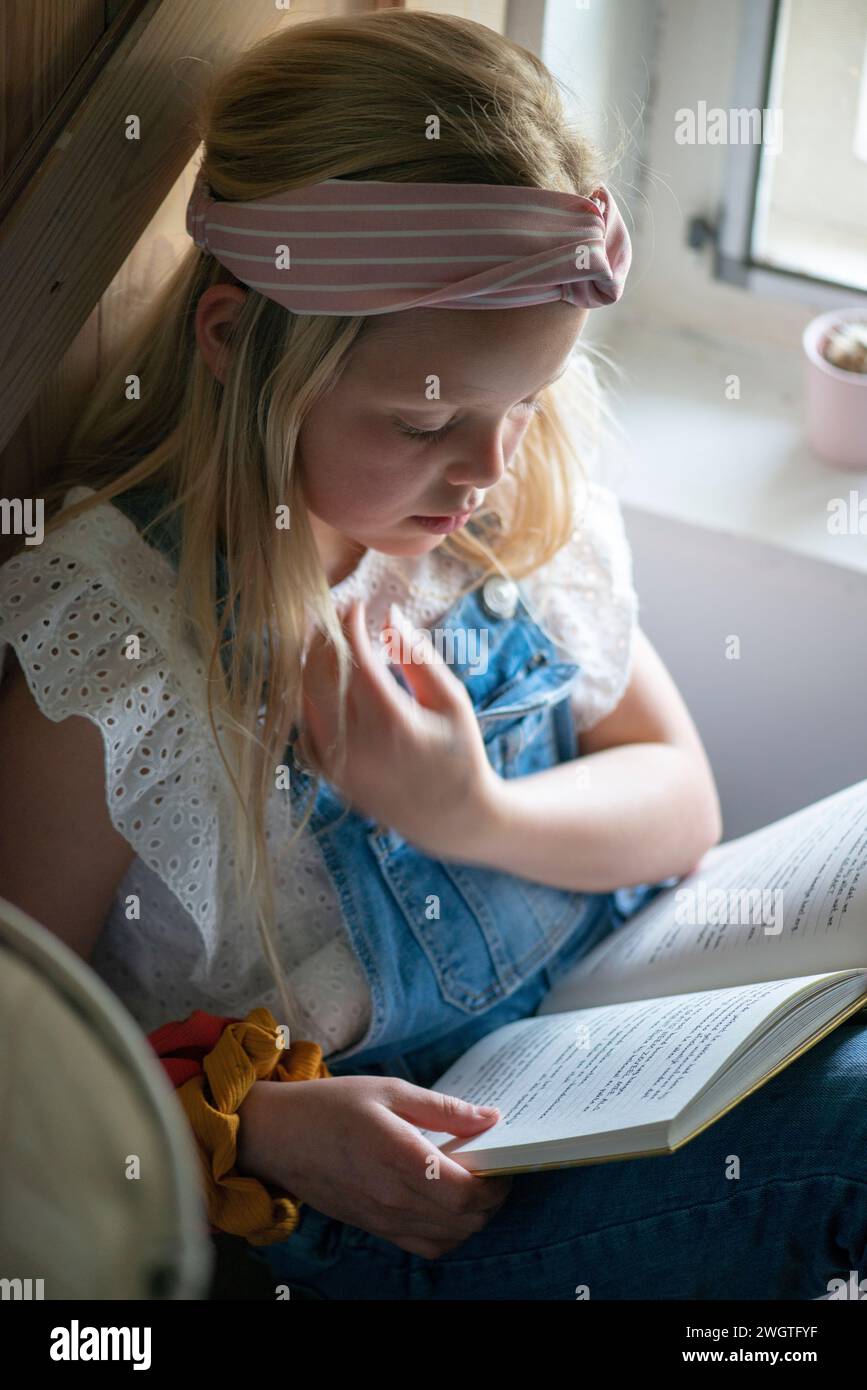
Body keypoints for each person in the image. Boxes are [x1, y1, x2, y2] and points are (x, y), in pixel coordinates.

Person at [1, 11, 864, 1301]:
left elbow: (680, 804)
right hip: (391, 1218)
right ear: (236, 343)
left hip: (605, 1063)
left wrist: (473, 812)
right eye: (425, 418)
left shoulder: (502, 508)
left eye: (523, 403)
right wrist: (256, 1126)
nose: (488, 467)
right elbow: (27, 1064)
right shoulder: (115, 662)